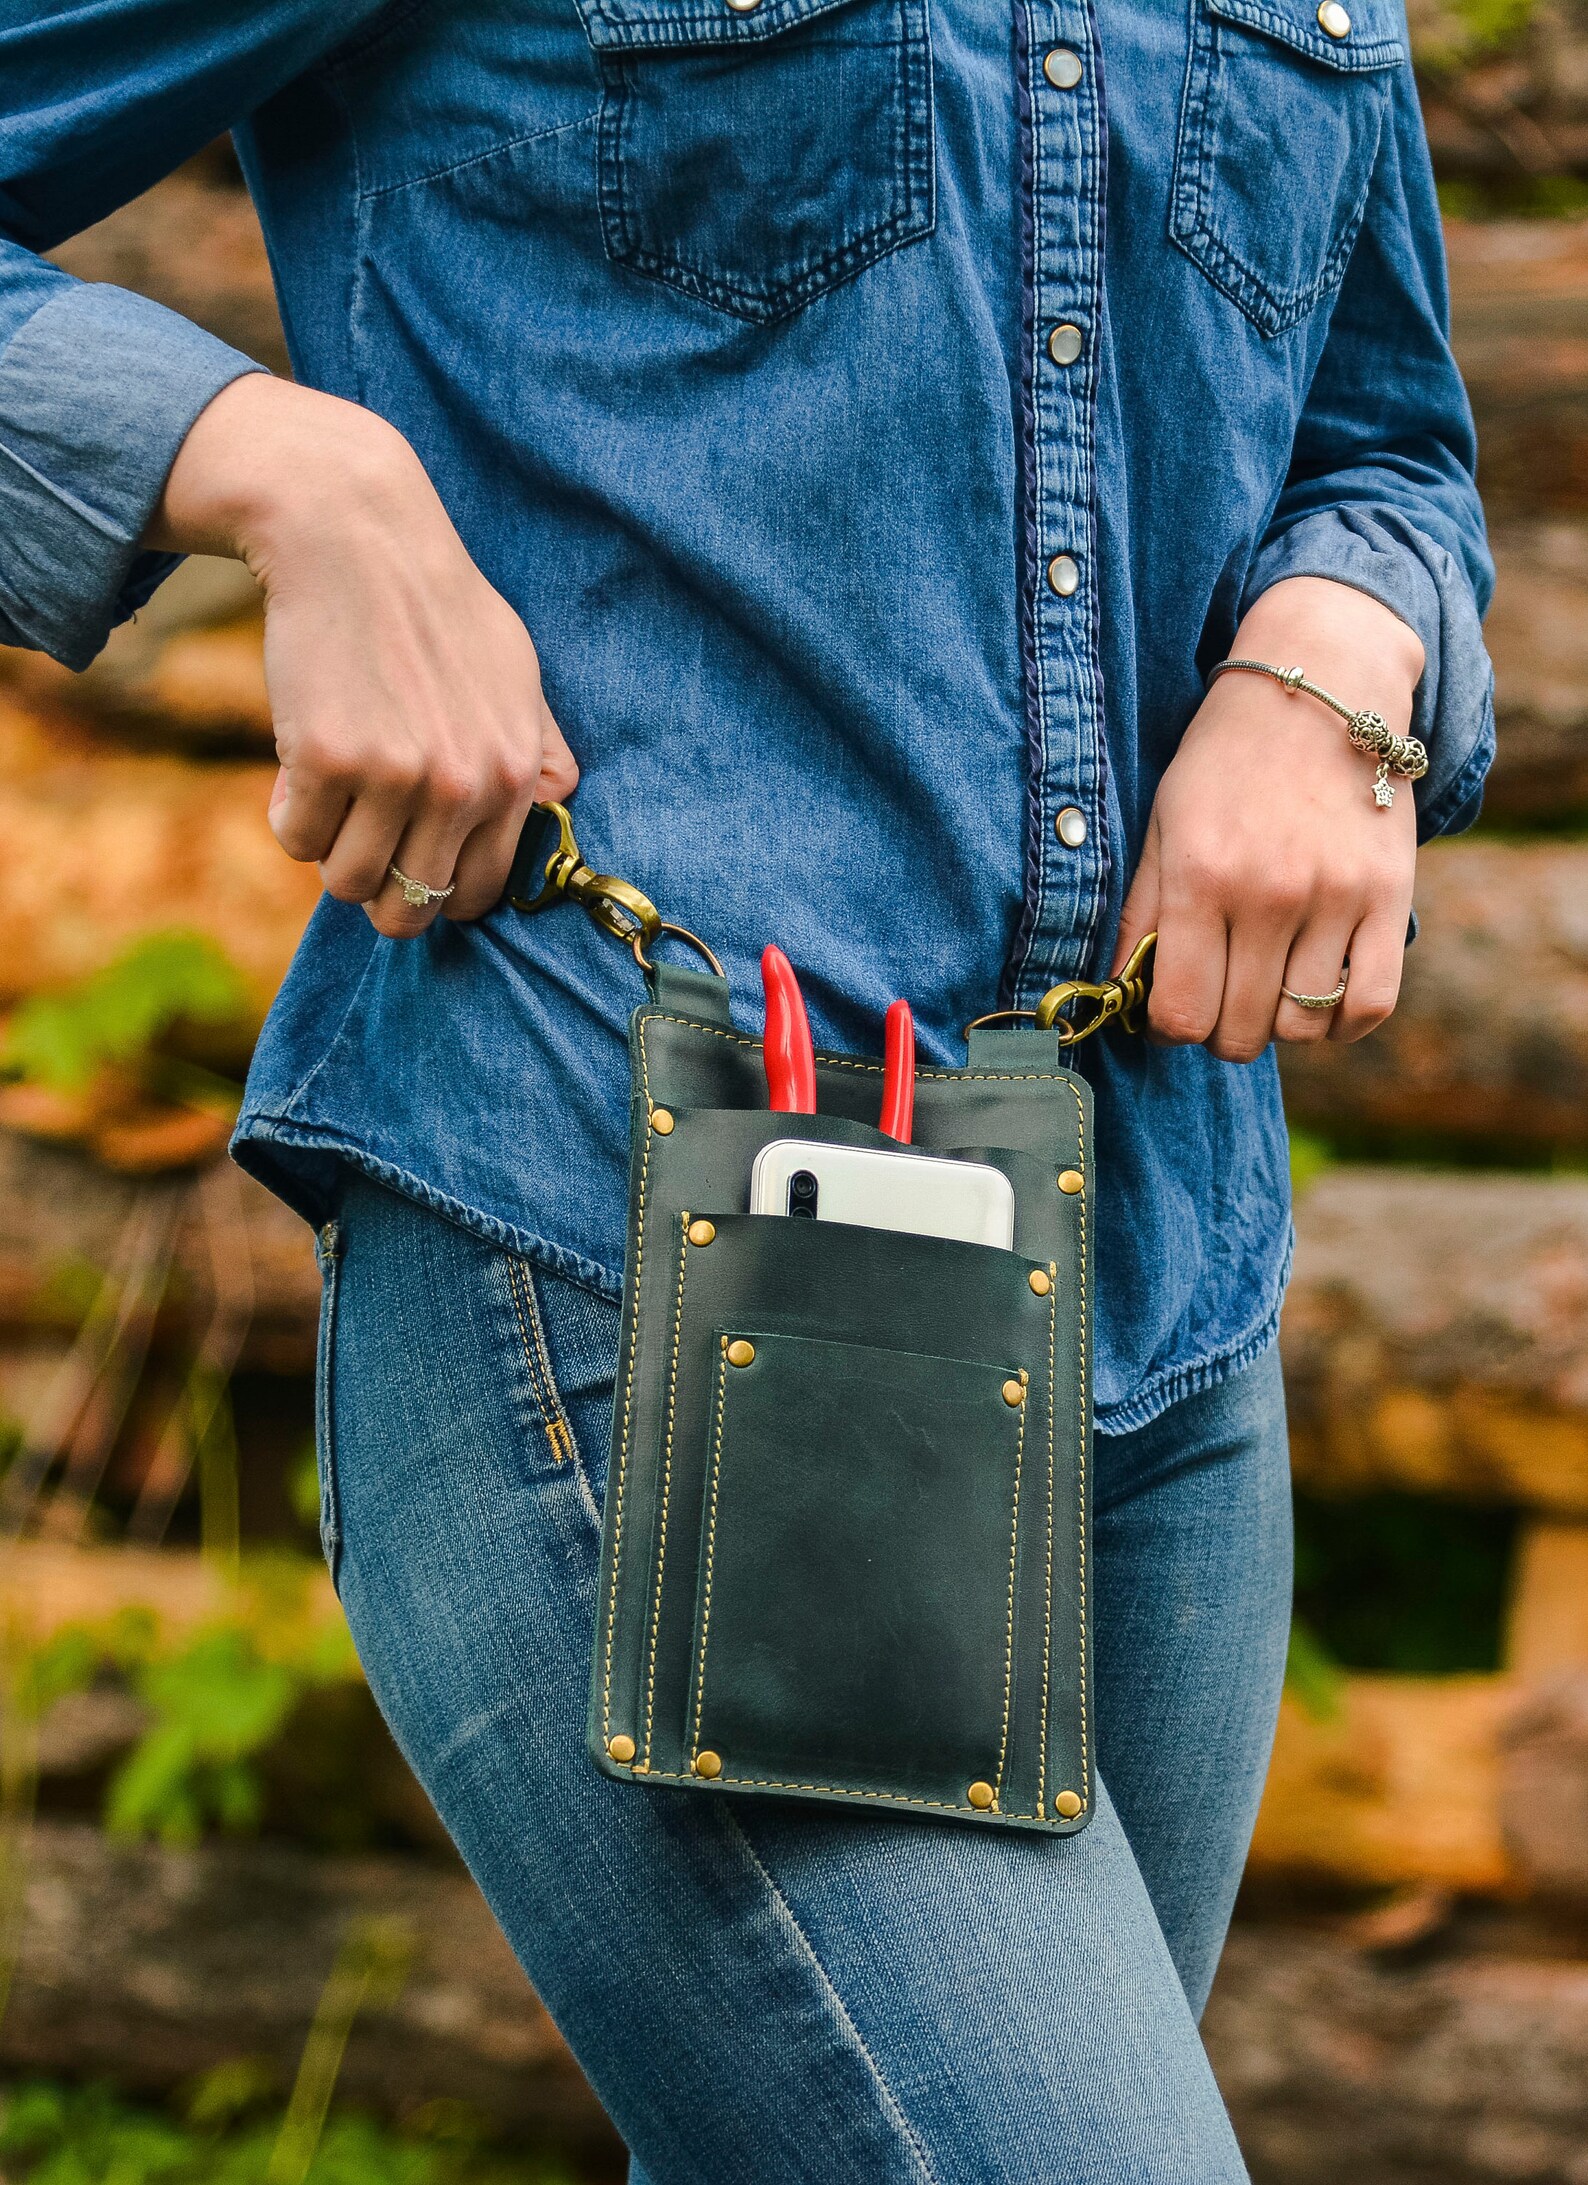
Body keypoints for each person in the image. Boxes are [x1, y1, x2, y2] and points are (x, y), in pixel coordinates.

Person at [0, 3, 1491, 2176]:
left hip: (1157, 1311)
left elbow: (1387, 449)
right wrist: (284, 464)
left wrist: (1338, 655)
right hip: (632, 1240)